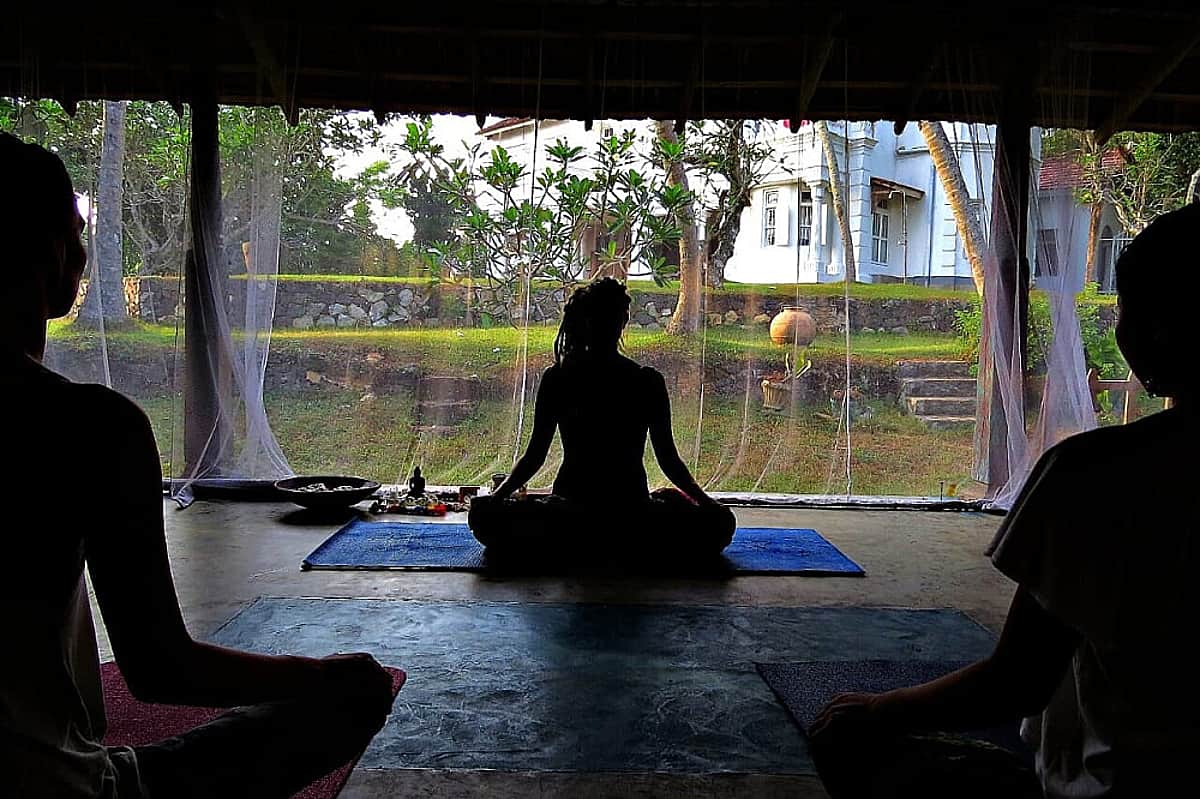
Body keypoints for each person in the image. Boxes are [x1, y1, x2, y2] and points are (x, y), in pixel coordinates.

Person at [0, 132, 397, 798]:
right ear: (49, 251)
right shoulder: (92, 426)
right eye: (77, 232)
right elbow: (160, 667)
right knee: (354, 695)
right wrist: (314, 673)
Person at [808, 204, 1199, 798]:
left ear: (1161, 328)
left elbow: (1014, 682)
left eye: (1126, 310)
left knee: (853, 749)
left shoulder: (1096, 474)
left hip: (1116, 783)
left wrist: (877, 709)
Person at [469, 277, 735, 559]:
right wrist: (707, 504)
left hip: (570, 514)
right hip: (631, 515)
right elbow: (668, 459)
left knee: (485, 518)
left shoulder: (559, 379)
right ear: (625, 320)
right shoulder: (645, 382)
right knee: (720, 523)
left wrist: (497, 500)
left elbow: (535, 456)